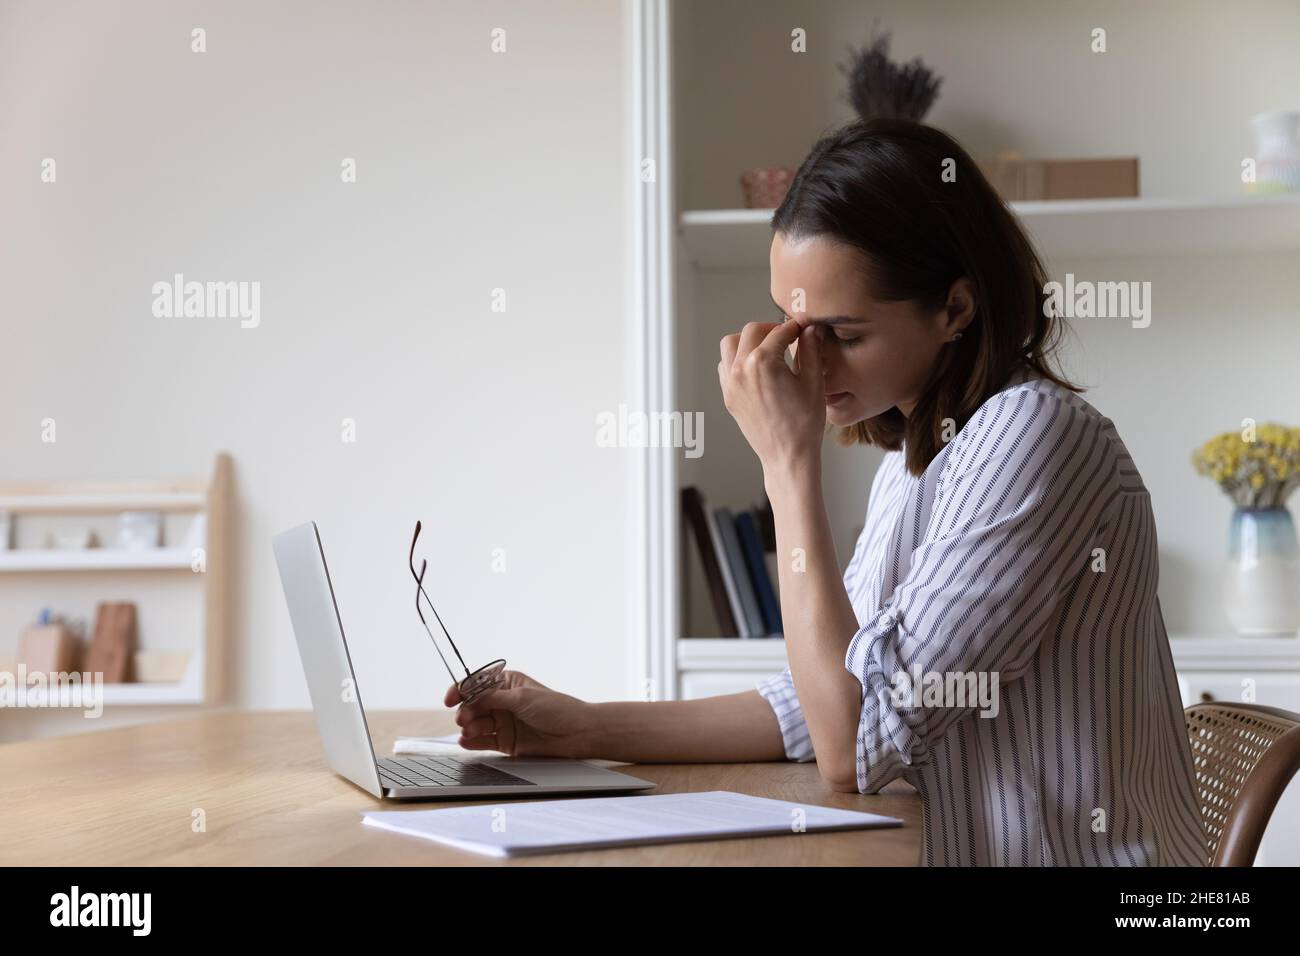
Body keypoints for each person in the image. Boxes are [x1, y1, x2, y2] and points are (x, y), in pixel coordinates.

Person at [445, 118, 1208, 866]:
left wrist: (787, 464)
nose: (803, 358)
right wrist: (577, 730)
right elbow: (817, 705)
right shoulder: (915, 466)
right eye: (790, 320)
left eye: (842, 334)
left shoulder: (1033, 433)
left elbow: (852, 744)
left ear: (956, 309)